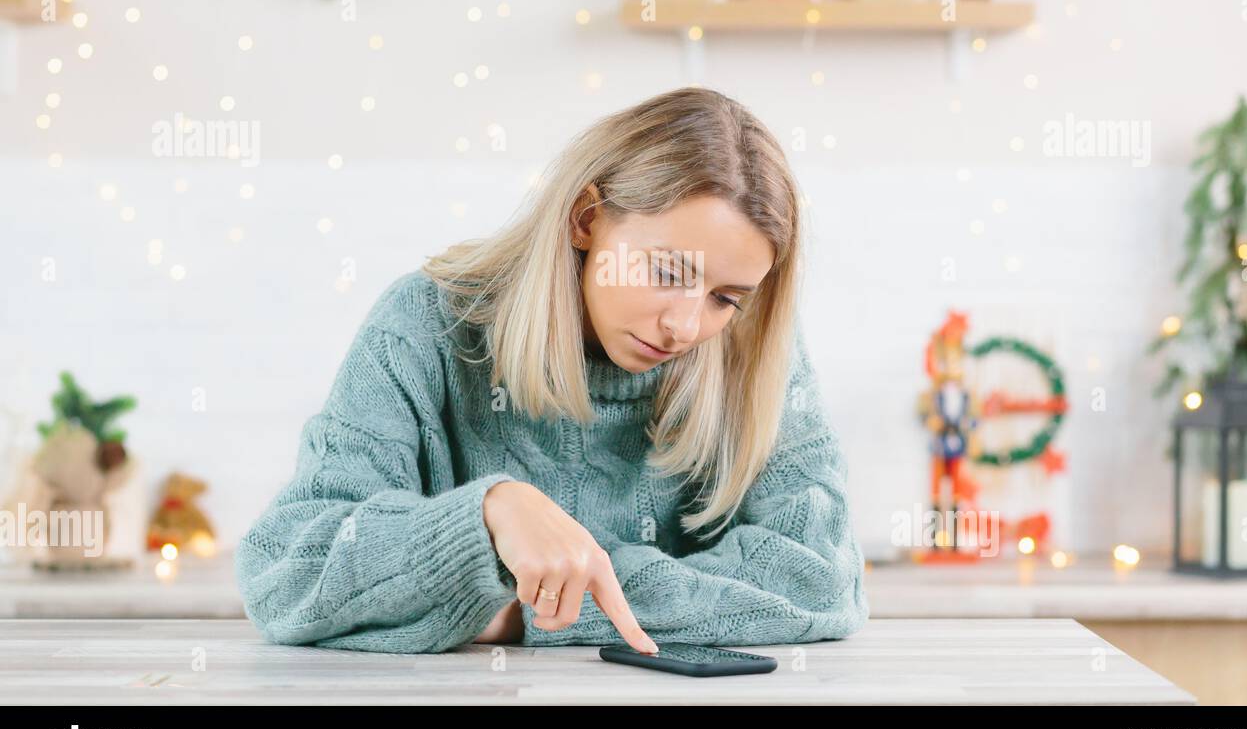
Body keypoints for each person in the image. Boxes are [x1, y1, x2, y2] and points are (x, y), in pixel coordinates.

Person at [234, 86, 870, 654]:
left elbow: (822, 579)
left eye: (725, 298)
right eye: (667, 273)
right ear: (586, 218)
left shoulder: (754, 354)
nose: (685, 325)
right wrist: (488, 515)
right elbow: (287, 572)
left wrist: (528, 609)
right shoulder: (425, 324)